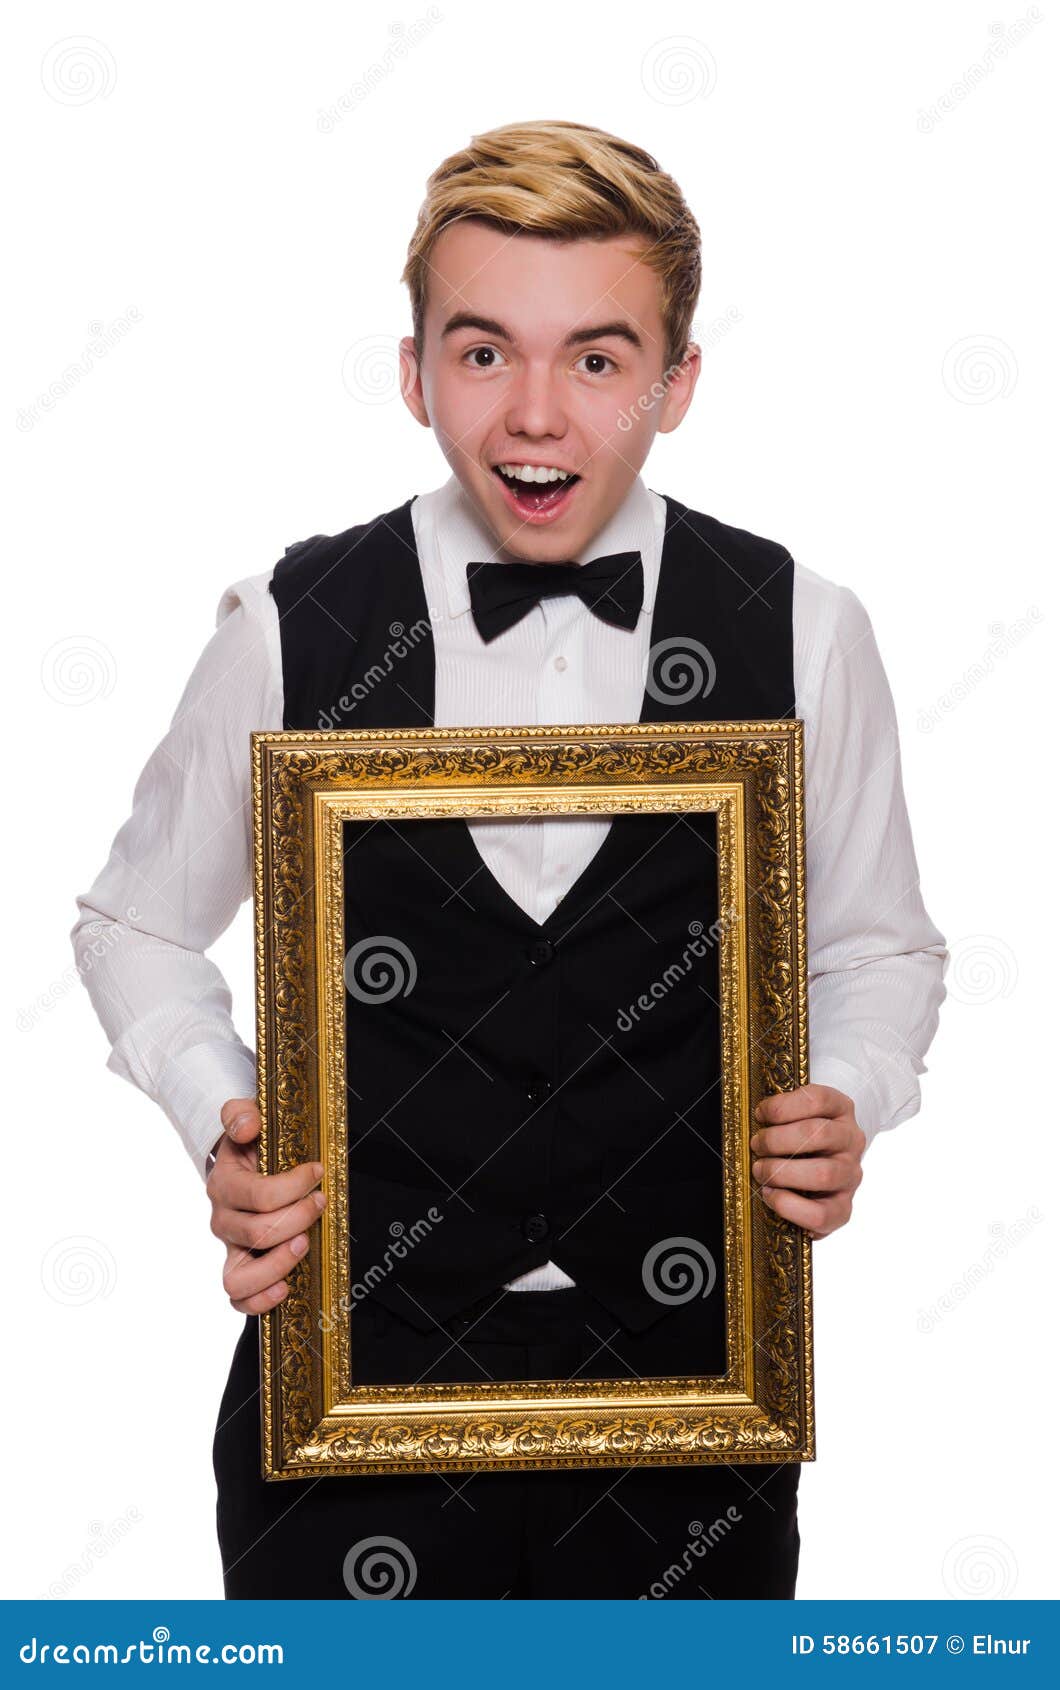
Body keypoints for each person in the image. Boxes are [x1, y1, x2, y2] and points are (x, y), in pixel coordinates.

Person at [71, 119, 948, 1599]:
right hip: (348, 1405)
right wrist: (227, 1116)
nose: (537, 413)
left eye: (599, 360)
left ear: (677, 383)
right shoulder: (295, 624)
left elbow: (879, 947)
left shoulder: (802, 625)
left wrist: (846, 1095)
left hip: (693, 1413)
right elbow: (133, 924)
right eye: (484, 354)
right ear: (414, 372)